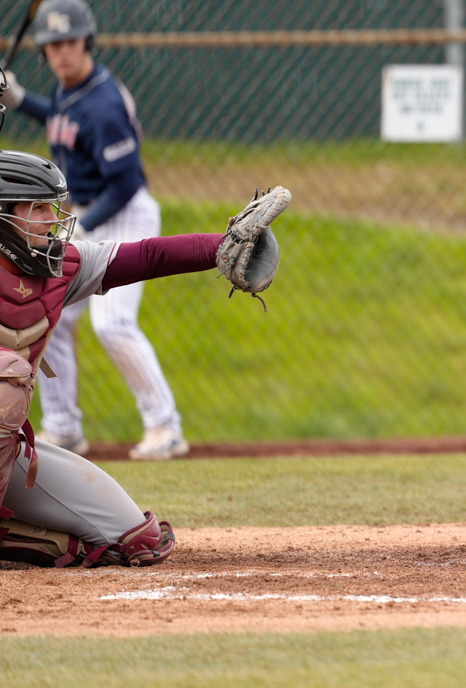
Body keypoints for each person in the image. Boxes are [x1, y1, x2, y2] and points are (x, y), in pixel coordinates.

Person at [0, 149, 287, 567]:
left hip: (7, 450)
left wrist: (220, 248)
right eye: (39, 207)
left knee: (133, 537)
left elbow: (147, 255)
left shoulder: (59, 267)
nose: (53, 218)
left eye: (53, 205)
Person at [0, 0, 184, 460]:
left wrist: (85, 228)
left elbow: (125, 183)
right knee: (52, 318)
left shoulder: (104, 105)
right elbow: (63, 119)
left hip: (120, 211)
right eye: (52, 43)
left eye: (70, 41)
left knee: (113, 323)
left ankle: (165, 426)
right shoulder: (71, 89)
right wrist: (20, 101)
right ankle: (64, 425)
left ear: (87, 42)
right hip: (85, 212)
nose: (62, 50)